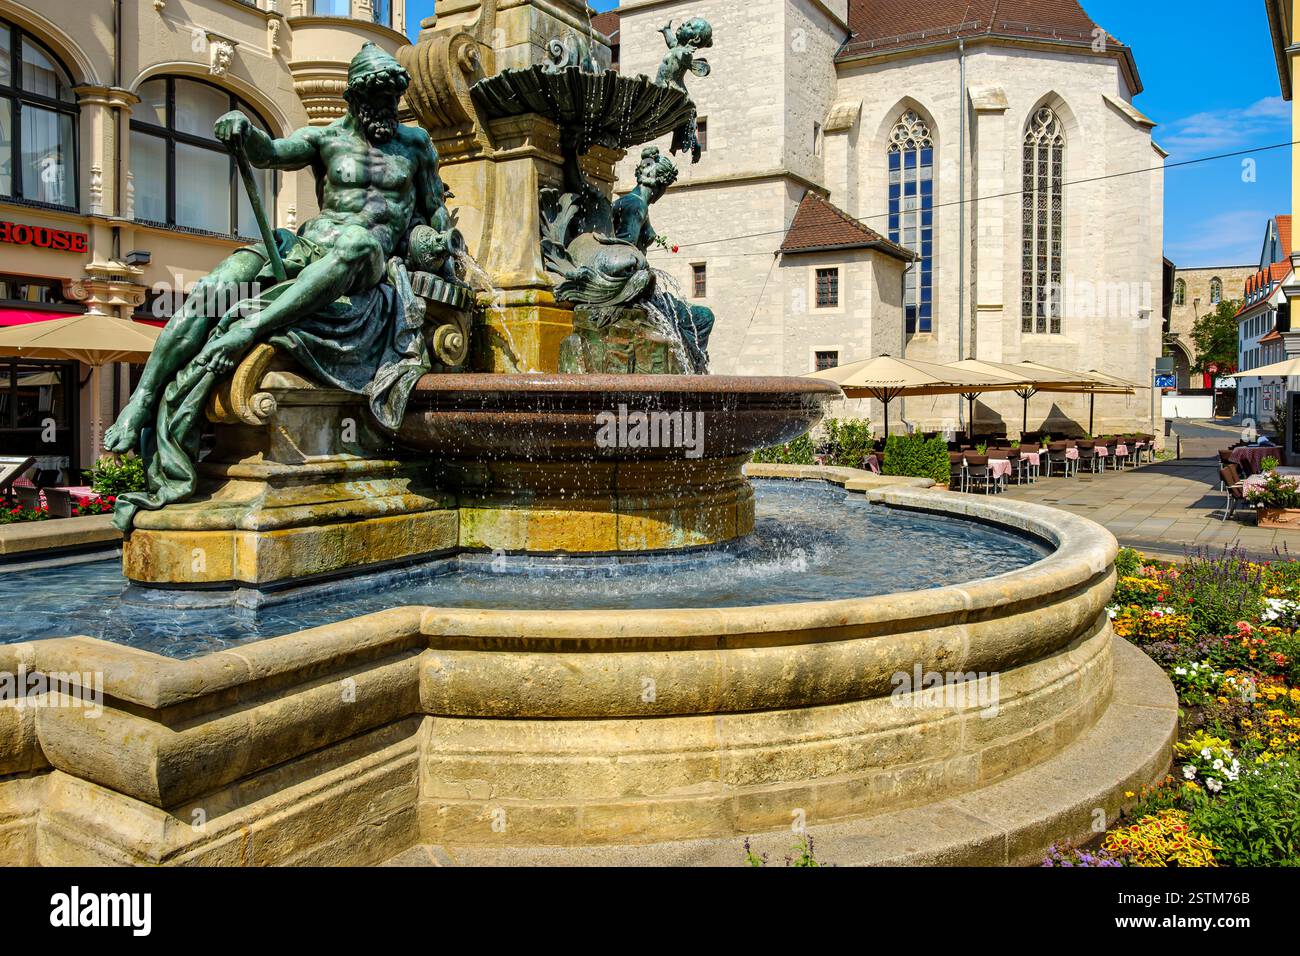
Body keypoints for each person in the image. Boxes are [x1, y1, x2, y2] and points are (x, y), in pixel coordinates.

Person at [105, 42, 452, 455]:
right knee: (216, 287)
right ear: (354, 98)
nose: (387, 108)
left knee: (358, 241)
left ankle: (252, 328)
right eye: (377, 99)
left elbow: (435, 210)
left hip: (367, 256)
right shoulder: (326, 138)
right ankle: (141, 400)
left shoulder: (415, 145)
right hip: (309, 244)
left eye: (392, 99)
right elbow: (269, 154)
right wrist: (243, 128)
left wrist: (439, 244)